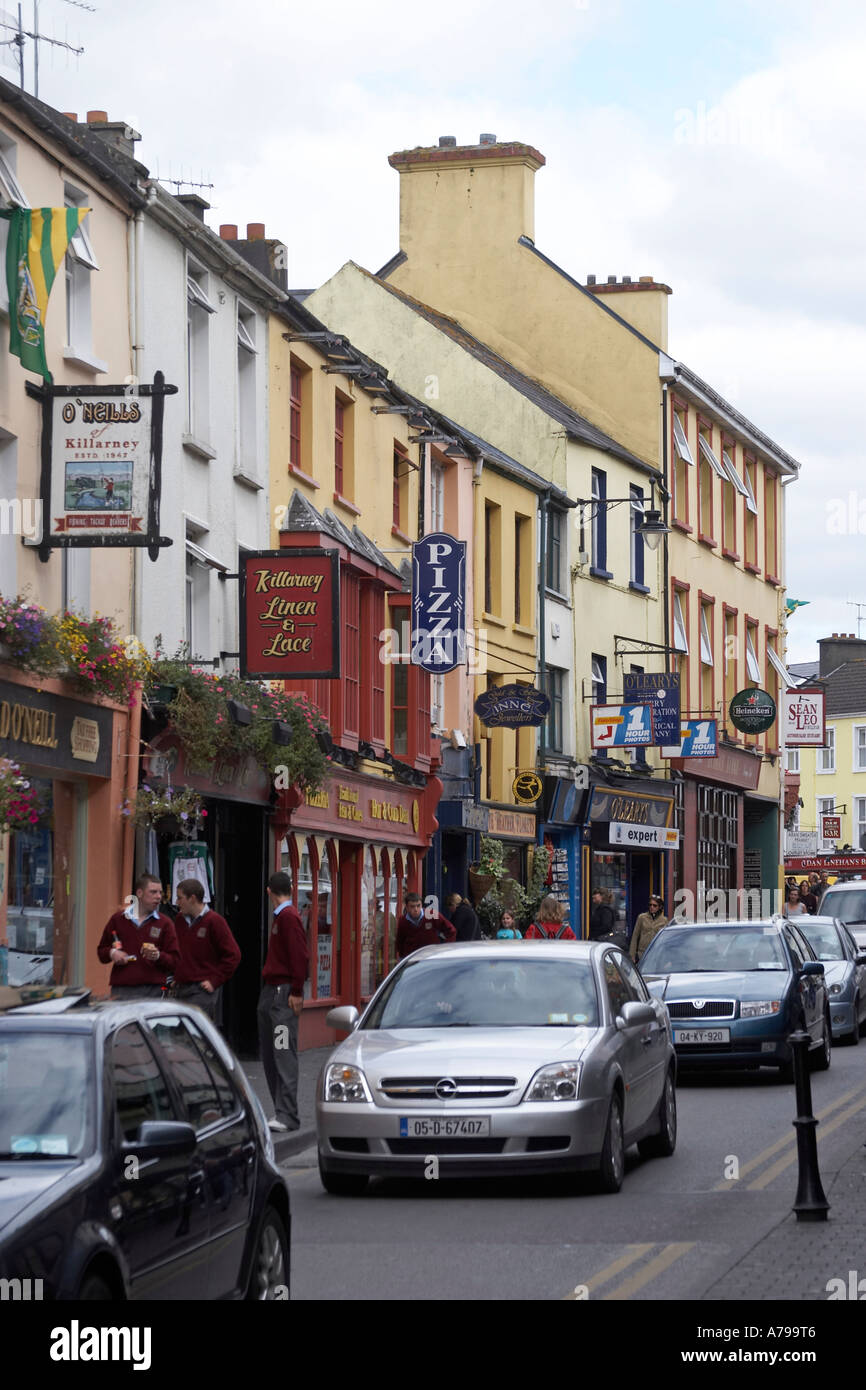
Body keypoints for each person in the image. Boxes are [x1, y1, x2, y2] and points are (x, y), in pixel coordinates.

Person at [257, 871, 309, 1133]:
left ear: (269, 892)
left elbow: (300, 956)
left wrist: (297, 991)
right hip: (274, 993)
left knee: (281, 1052)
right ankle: (282, 1111)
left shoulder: (288, 918)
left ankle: (287, 1114)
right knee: (273, 1052)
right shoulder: (285, 917)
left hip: (281, 995)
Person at [97, 873, 179, 999]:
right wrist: (113, 953)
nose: (158, 897)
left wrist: (157, 956)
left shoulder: (165, 923)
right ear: (139, 893)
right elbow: (101, 952)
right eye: (153, 892)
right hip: (122, 989)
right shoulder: (118, 919)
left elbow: (175, 961)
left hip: (153, 990)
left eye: (160, 892)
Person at [173, 878, 241, 1021]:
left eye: (180, 898)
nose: (177, 902)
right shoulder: (179, 920)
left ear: (192, 898)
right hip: (180, 989)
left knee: (195, 1034)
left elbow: (233, 955)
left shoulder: (214, 921)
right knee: (179, 1036)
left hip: (200, 991)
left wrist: (215, 980)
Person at [396, 892, 456, 959]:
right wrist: (403, 957)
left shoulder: (432, 914)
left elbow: (451, 931)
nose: (416, 909)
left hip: (431, 957)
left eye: (418, 906)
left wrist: (444, 949)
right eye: (412, 906)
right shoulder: (403, 921)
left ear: (421, 905)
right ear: (406, 907)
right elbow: (400, 942)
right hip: (412, 959)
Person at [630, 895, 668, 964]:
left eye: (654, 905)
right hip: (642, 953)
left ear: (659, 907)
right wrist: (632, 955)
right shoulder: (642, 917)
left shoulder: (664, 920)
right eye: (650, 905)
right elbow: (635, 936)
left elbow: (665, 940)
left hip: (657, 954)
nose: (652, 907)